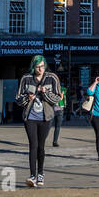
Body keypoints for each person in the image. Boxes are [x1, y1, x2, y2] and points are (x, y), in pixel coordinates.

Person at [17, 54, 61, 188]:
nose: (40, 69)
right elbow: (18, 98)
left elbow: (58, 98)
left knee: (41, 146)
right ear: (33, 67)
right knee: (33, 145)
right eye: (37, 67)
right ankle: (32, 175)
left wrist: (45, 93)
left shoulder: (52, 77)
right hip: (30, 117)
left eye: (42, 66)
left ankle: (40, 173)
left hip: (45, 117)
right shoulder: (26, 78)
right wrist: (27, 99)